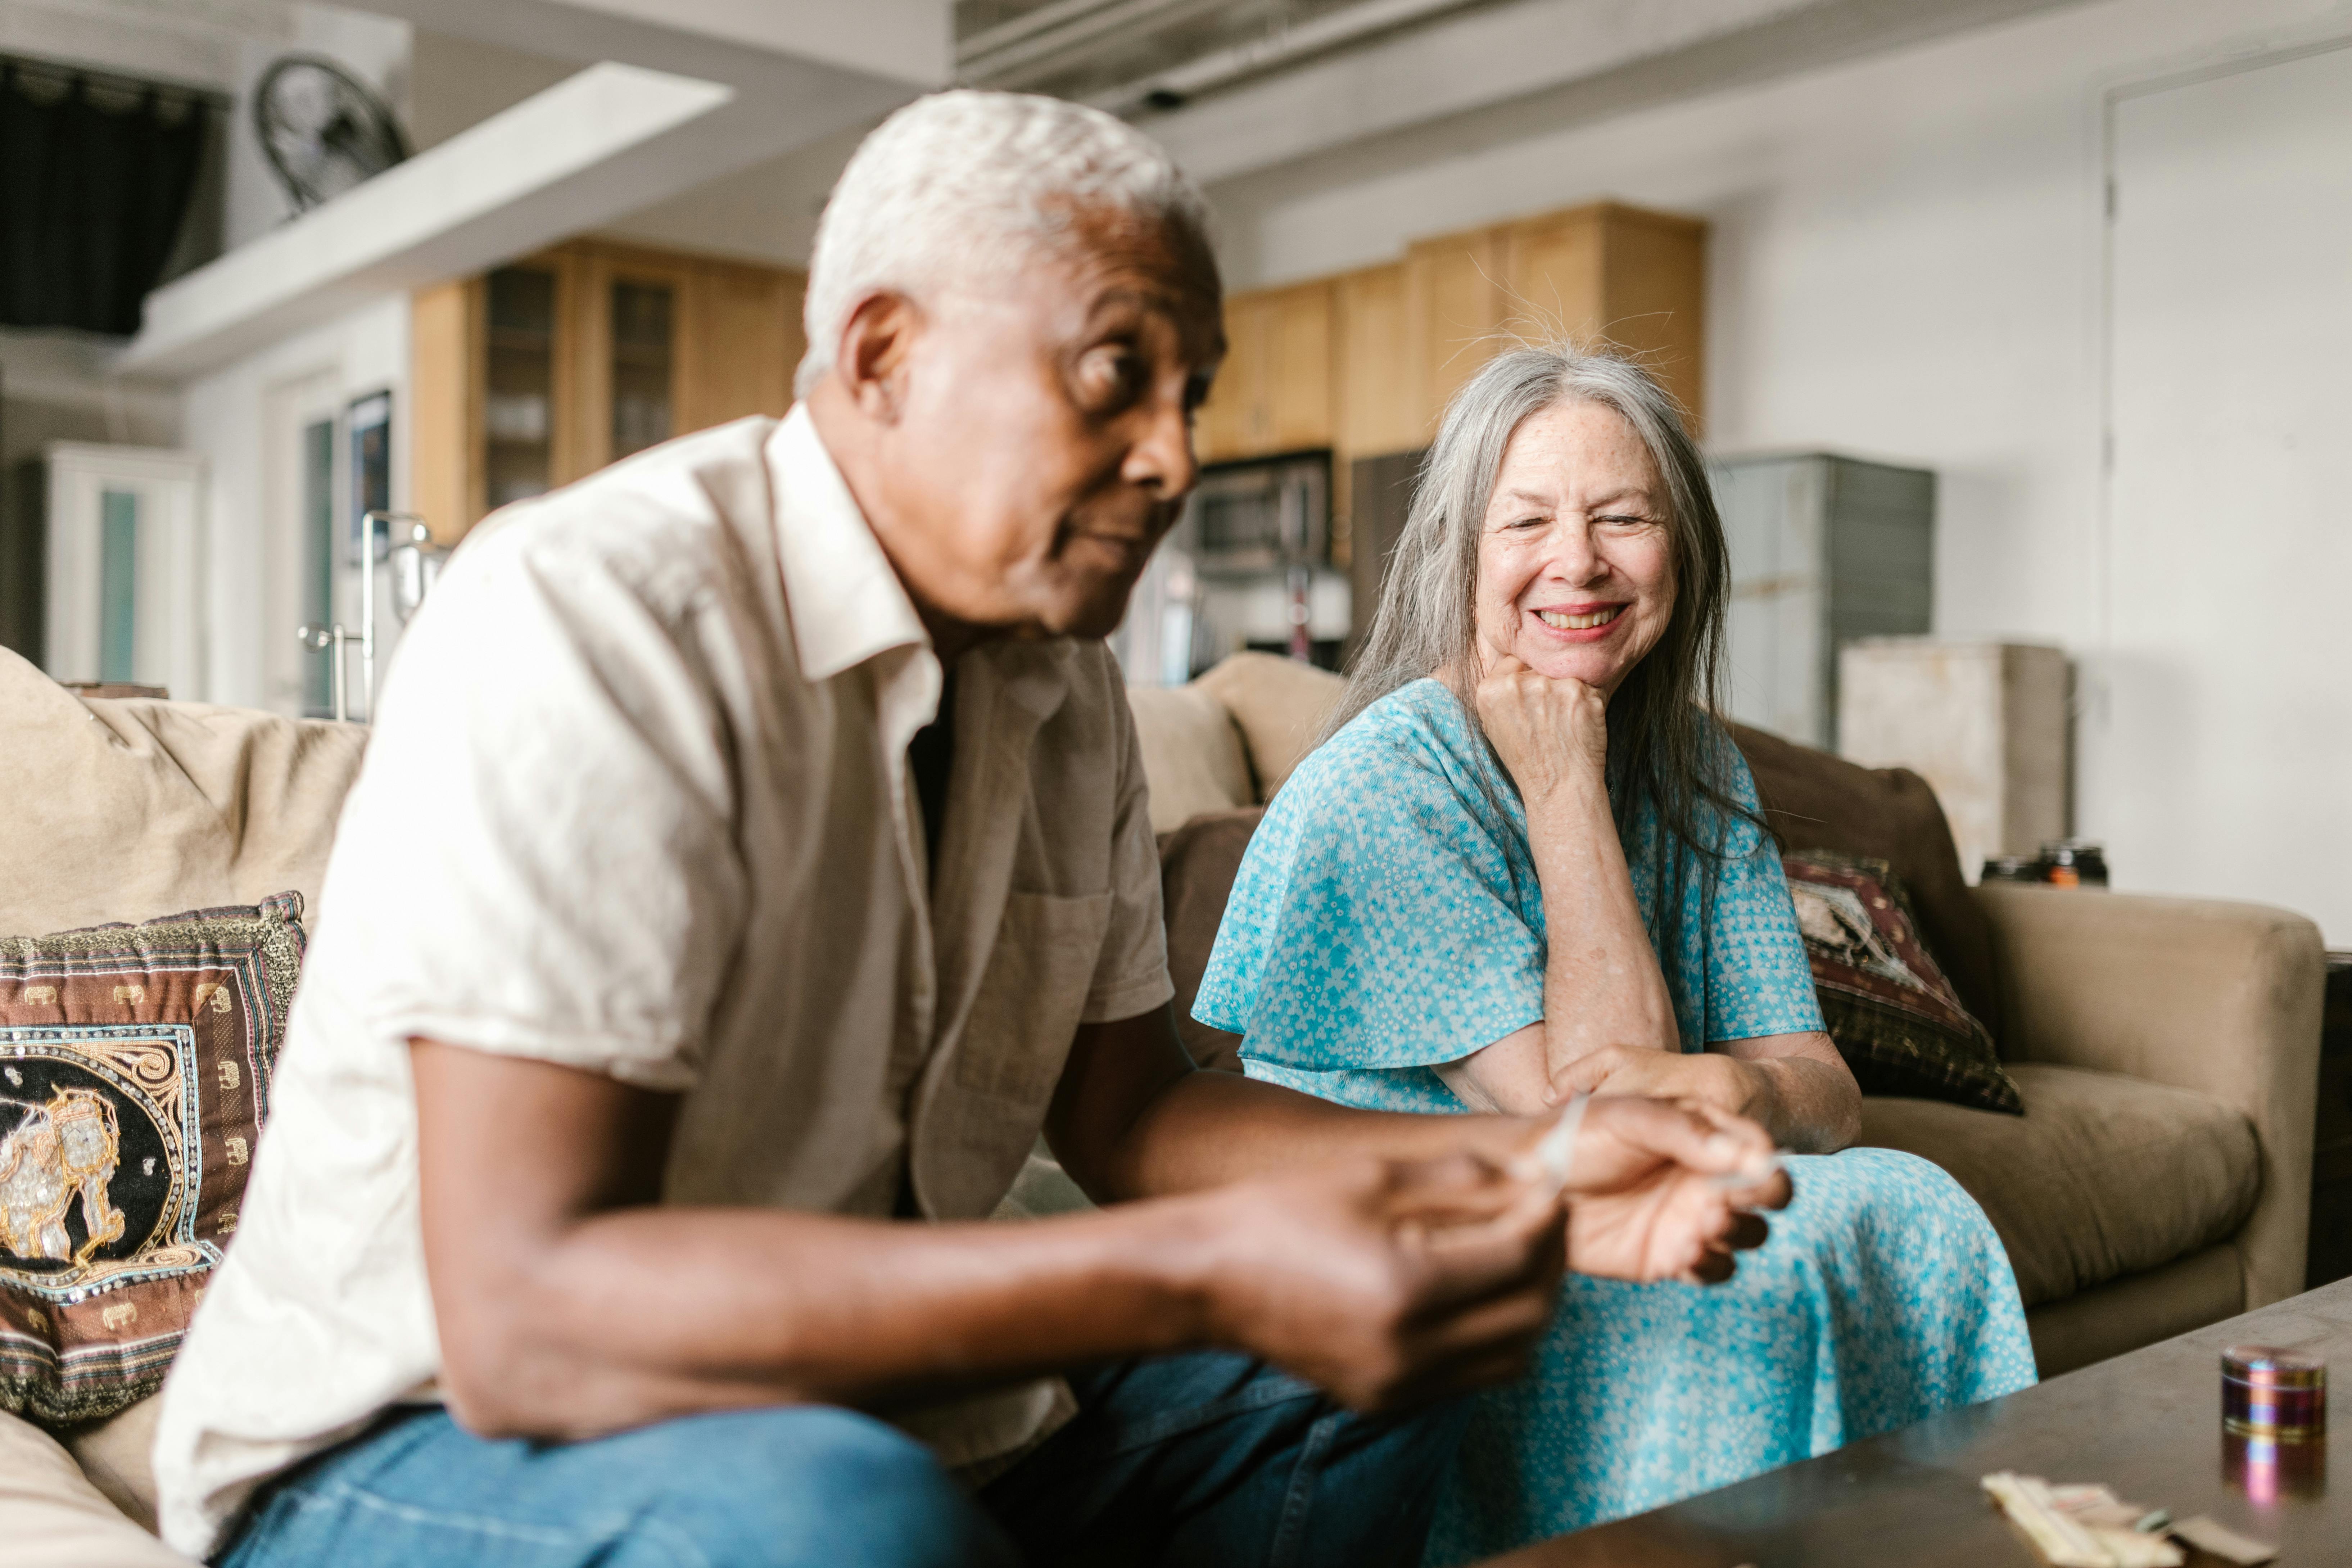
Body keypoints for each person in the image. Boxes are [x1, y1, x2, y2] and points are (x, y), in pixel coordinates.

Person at [150, 96, 1792, 1568]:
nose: (1173, 455)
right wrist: (1205, 1271)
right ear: (879, 358)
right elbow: (527, 1323)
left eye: (1191, 394)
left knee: (1362, 1364)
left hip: (852, 1397)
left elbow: (1134, 1117)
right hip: (417, 1448)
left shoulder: (1063, 687)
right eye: (1111, 379)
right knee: (831, 1515)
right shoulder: (598, 619)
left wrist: (1522, 1167)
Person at [1195, 344, 2038, 1563]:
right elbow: (1597, 1110)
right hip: (1450, 1237)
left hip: (1622, 1197)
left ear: (1681, 551)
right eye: (1526, 521)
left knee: (1914, 1201)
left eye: (1623, 518)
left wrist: (1749, 1086)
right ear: (1461, 560)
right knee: (1745, 1276)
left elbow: (1823, 1088)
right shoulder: (1383, 787)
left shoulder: (1700, 768)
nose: (1577, 561)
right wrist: (1562, 783)